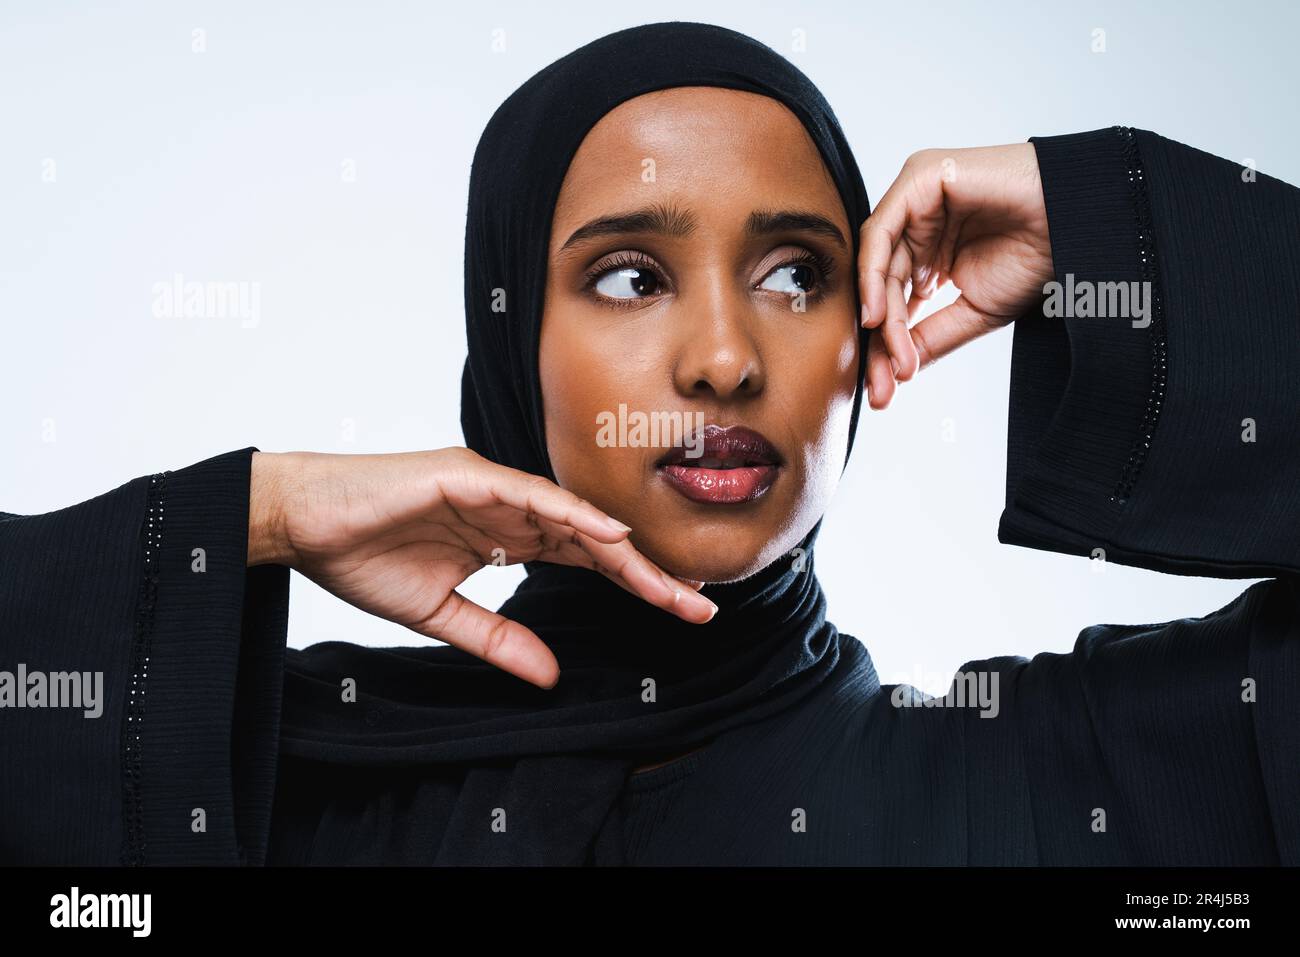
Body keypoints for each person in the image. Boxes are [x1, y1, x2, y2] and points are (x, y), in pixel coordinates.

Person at [2, 21, 1297, 866]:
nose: (726, 357)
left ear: (869, 329)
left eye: (798, 271)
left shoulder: (1072, 793)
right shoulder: (270, 794)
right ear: (511, 343)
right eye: (630, 277)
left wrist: (1106, 218)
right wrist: (257, 514)